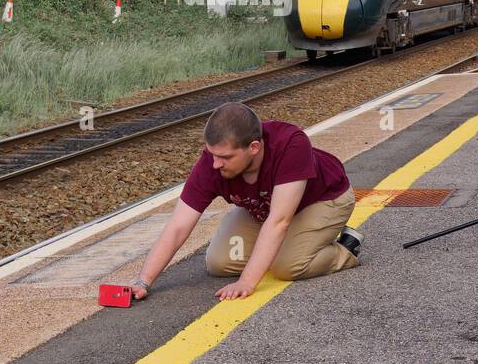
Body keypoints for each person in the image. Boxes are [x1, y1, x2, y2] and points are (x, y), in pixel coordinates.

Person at [131, 102, 361, 301]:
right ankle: (283, 247)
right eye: (212, 154)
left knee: (288, 266)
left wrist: (247, 282)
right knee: (220, 263)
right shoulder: (212, 162)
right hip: (264, 207)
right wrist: (143, 282)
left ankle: (345, 247)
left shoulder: (291, 143)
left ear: (254, 147)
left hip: (322, 200)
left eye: (225, 157)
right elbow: (178, 225)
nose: (215, 164)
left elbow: (280, 221)